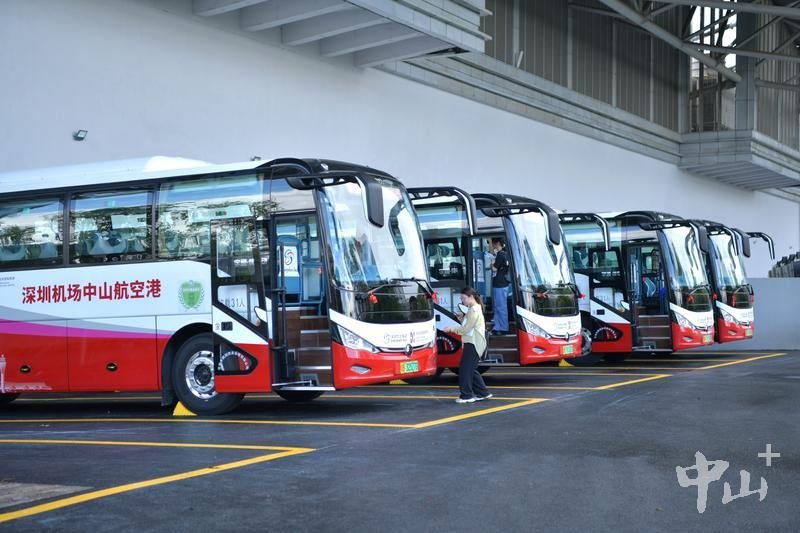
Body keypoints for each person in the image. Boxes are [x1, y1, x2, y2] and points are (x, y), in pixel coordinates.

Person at [444, 287, 492, 404]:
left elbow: (466, 329)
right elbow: (468, 326)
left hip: (474, 343)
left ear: (471, 297)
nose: (462, 301)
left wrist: (451, 329)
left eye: (463, 298)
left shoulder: (474, 310)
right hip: (474, 342)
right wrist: (462, 318)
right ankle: (482, 392)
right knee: (470, 369)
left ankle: (466, 396)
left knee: (465, 370)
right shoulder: (472, 309)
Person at [489, 237, 510, 335]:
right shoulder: (505, 253)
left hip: (499, 283)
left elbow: (494, 269)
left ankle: (503, 328)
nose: (492, 246)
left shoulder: (500, 254)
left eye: (493, 244)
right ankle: (498, 326)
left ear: (497, 243)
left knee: (500, 307)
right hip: (503, 283)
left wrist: (491, 263)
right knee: (499, 306)